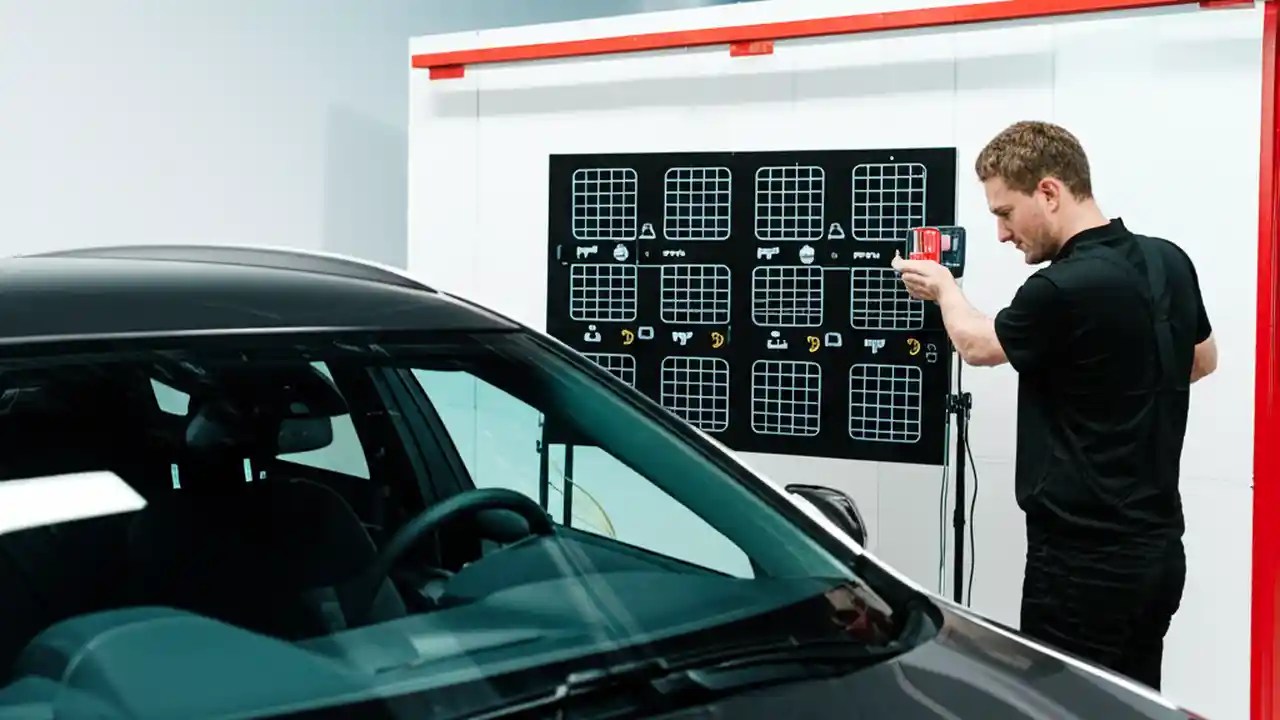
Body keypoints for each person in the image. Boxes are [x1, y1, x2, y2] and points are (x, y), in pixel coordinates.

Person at [891, 120, 1217, 690]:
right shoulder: (1170, 261)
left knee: (1063, 704)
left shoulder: (1062, 287)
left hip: (1080, 566)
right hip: (1158, 554)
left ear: (1049, 192)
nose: (1000, 233)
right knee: (1130, 699)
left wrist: (944, 287)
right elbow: (1201, 360)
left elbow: (976, 344)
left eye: (1005, 213)